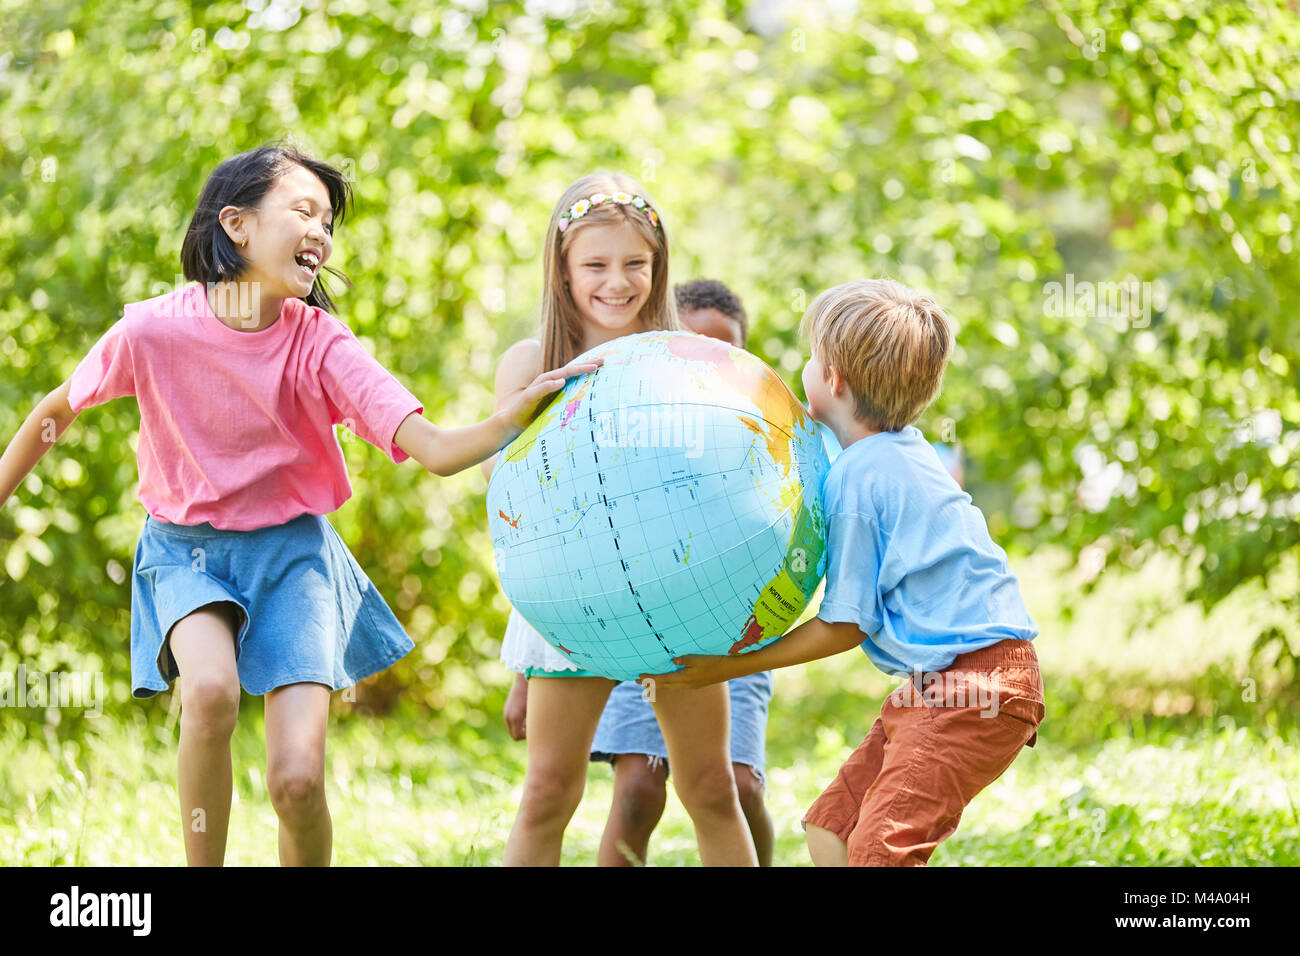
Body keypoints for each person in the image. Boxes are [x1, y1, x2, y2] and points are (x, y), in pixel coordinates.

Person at [0, 144, 596, 866]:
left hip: (295, 562)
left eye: (329, 221)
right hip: (186, 551)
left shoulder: (321, 346)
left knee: (297, 781)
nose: (321, 232)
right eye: (303, 211)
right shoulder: (153, 331)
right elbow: (53, 413)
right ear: (237, 224)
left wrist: (511, 417)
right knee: (211, 691)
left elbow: (435, 450)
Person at [644, 278, 1044, 867]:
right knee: (830, 831)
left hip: (974, 684)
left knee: (879, 854)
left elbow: (846, 624)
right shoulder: (897, 449)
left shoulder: (862, 478)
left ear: (833, 379)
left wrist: (728, 667)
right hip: (946, 682)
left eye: (811, 357)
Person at [486, 174, 758, 866]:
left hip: (678, 600)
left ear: (658, 266)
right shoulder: (531, 362)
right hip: (573, 601)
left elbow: (725, 478)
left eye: (636, 264)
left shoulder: (686, 359)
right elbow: (502, 493)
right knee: (548, 790)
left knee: (710, 789)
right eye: (596, 266)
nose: (618, 282)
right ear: (563, 270)